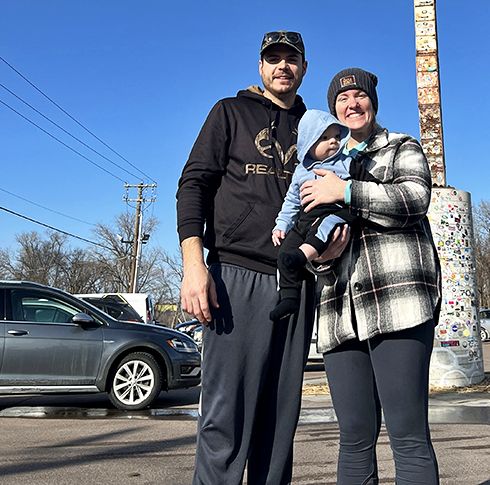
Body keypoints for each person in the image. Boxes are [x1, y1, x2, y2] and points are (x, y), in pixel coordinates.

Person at [176, 31, 348, 485]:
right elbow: (193, 186)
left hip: (297, 279)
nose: (282, 67)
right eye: (273, 59)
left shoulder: (319, 129)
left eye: (292, 60)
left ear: (304, 68)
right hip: (236, 276)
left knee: (278, 422)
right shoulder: (229, 112)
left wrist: (327, 249)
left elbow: (332, 197)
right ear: (260, 67)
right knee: (225, 417)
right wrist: (194, 267)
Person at [300, 67, 442, 485]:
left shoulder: (401, 147)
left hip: (398, 303)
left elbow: (415, 199)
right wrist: (320, 259)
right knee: (354, 437)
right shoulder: (319, 165)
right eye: (342, 100)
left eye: (359, 96)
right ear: (333, 111)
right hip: (339, 312)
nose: (352, 104)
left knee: (408, 434)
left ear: (373, 103)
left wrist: (345, 193)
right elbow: (308, 237)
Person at [270, 109, 358, 321]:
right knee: (286, 250)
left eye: (337, 137)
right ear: (308, 143)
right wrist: (281, 224)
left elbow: (366, 183)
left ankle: (302, 257)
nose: (333, 142)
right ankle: (289, 296)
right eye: (325, 138)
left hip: (337, 212)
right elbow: (291, 200)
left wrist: (347, 188)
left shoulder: (346, 162)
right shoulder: (301, 171)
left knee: (324, 227)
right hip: (306, 216)